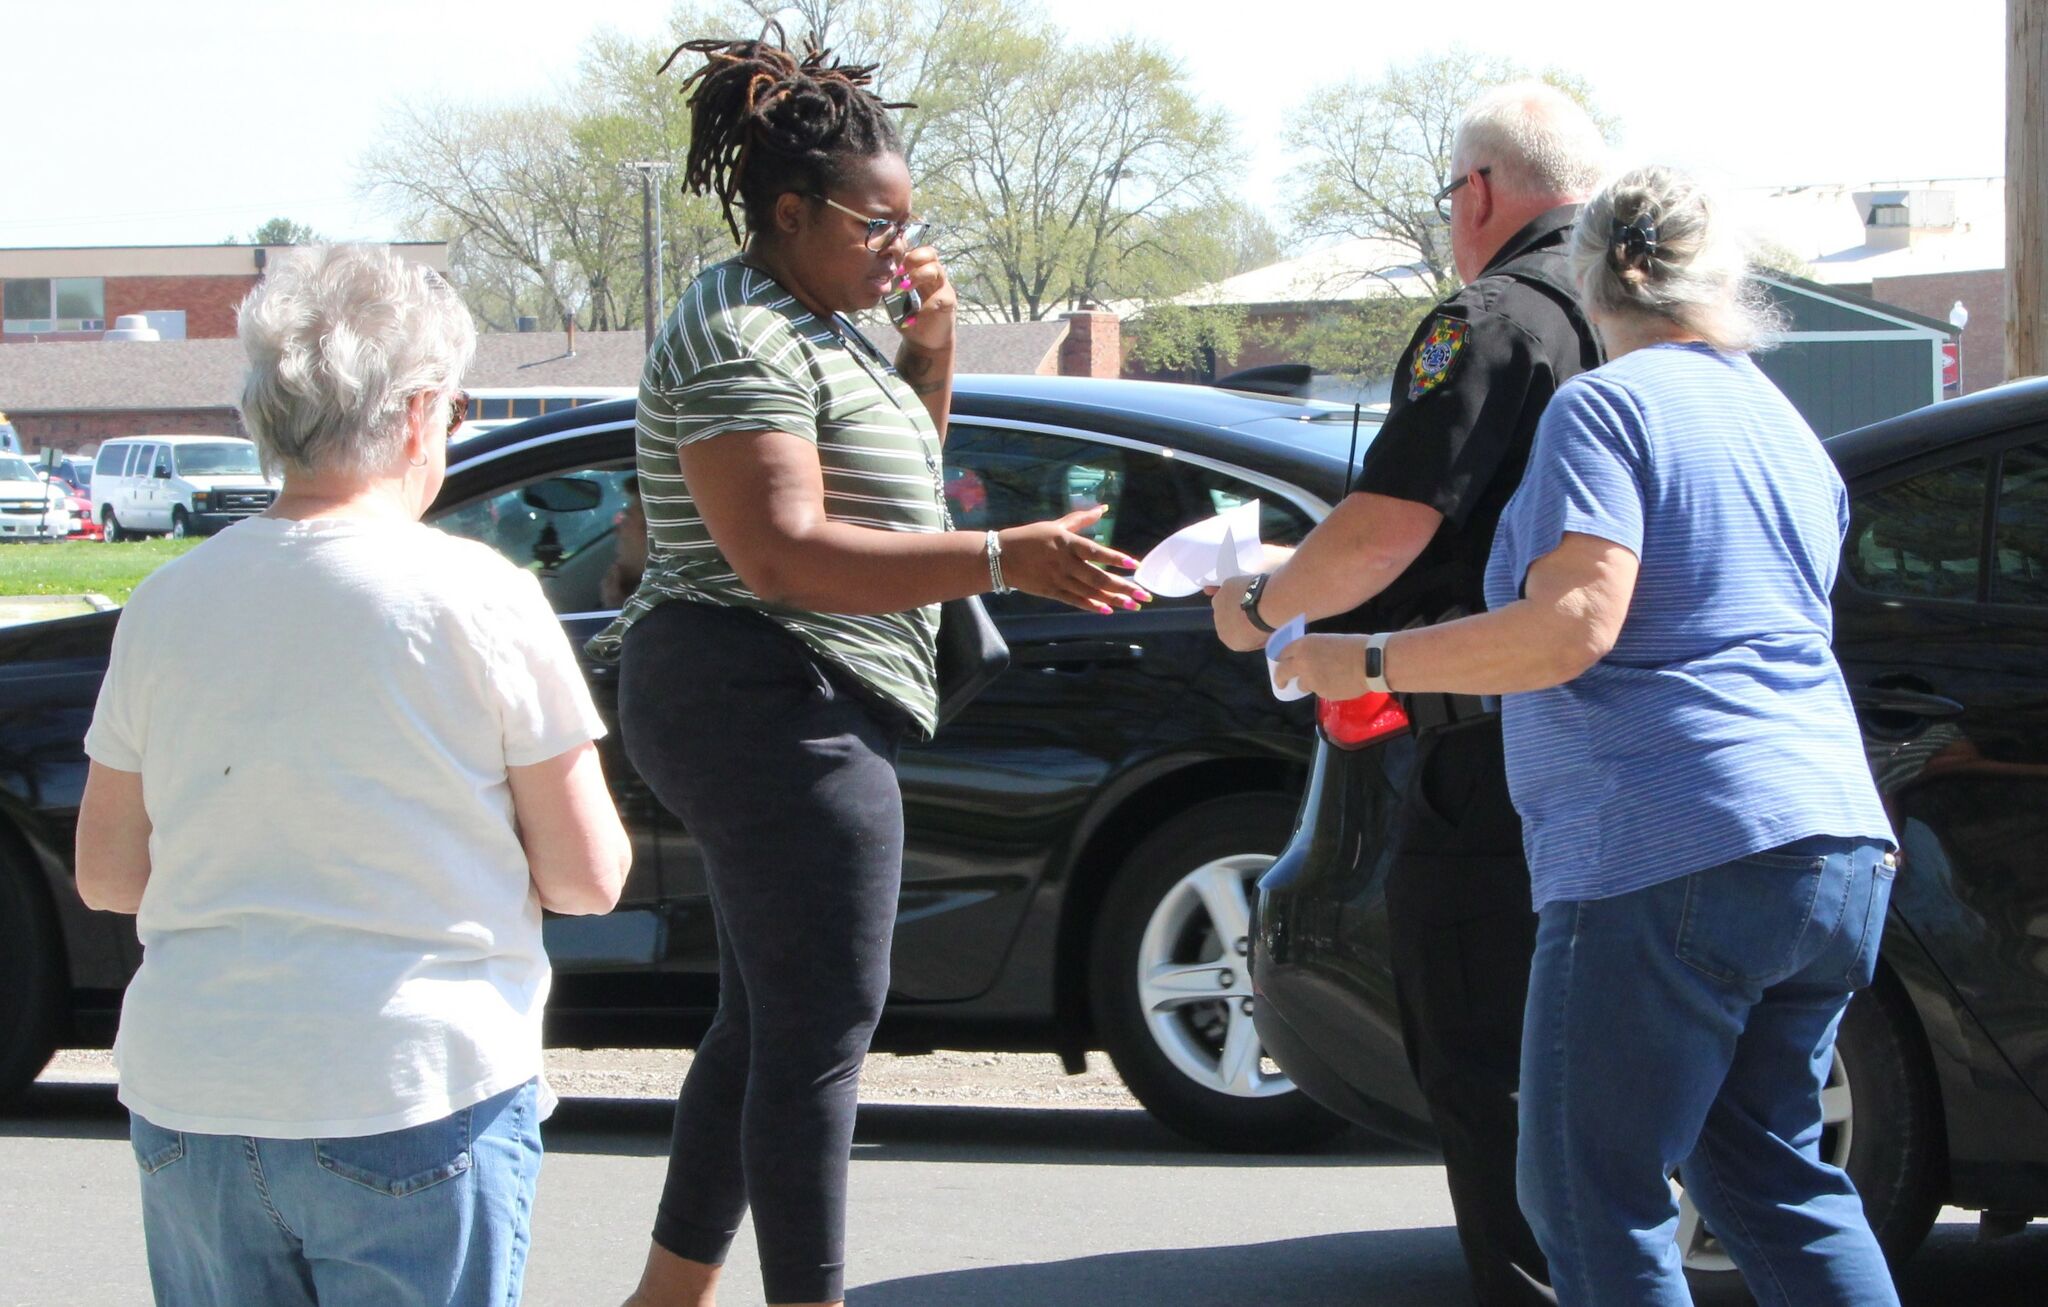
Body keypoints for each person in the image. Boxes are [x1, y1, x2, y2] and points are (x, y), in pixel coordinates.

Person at [1274, 166, 1901, 1307]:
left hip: (1665, 847)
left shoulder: (1606, 404)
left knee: (1581, 1192)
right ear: (1724, 280)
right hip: (1831, 840)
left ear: (1588, 271)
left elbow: (1570, 626)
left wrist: (1360, 659)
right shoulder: (1780, 423)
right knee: (1772, 1175)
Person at [592, 32, 1148, 1307]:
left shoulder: (822, 324)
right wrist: (1001, 557)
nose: (898, 249)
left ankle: (664, 1298)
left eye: (910, 224)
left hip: (788, 687)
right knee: (818, 1028)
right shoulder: (740, 327)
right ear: (790, 213)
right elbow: (781, 553)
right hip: (756, 685)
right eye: (875, 225)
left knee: (770, 1019)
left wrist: (933, 349)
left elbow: (884, 495)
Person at [72, 244, 634, 1306]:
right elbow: (588, 875)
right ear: (420, 410)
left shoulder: (167, 603)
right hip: (409, 1080)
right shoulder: (481, 597)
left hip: (192, 1087)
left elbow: (106, 871)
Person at [1211, 81, 1605, 1306]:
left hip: (1487, 760)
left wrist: (1265, 606)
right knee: (1605, 1099)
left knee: (1488, 1077)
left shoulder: (1490, 317)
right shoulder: (1634, 319)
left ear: (1479, 192)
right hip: (1613, 753)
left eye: (1451, 198)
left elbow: (1387, 527)